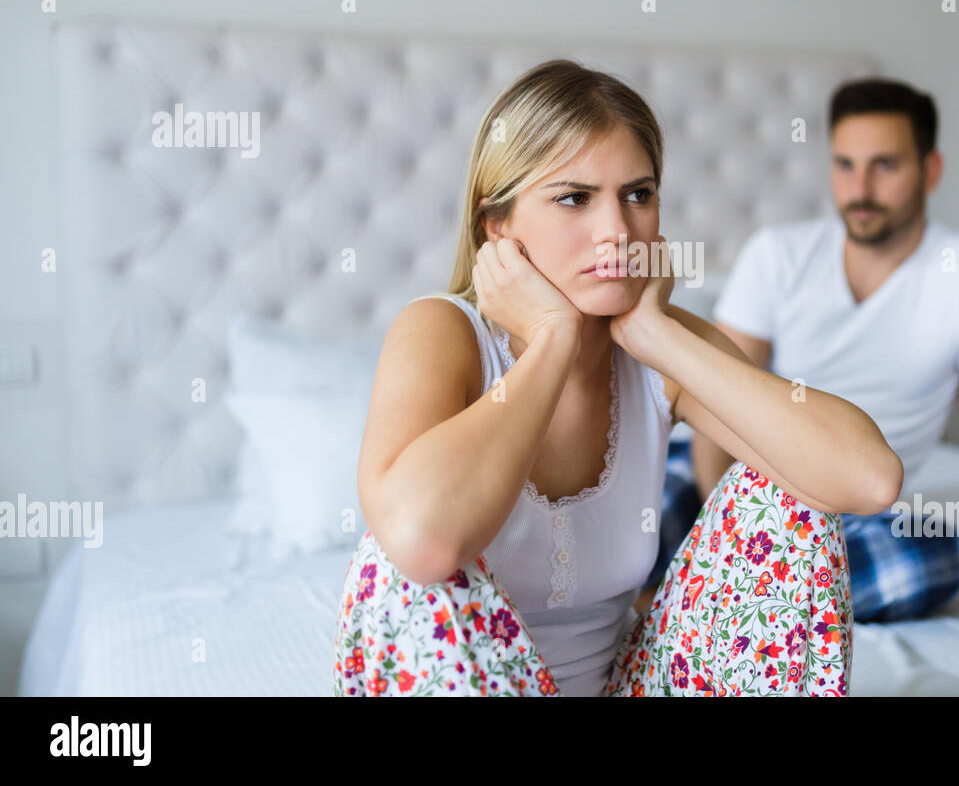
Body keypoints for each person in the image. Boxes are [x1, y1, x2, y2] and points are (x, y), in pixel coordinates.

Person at [332, 59, 904, 696]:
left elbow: (869, 478)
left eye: (639, 194)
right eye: (574, 198)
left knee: (795, 488)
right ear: (498, 225)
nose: (617, 232)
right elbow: (421, 544)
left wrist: (654, 335)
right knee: (397, 542)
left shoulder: (658, 344)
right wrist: (552, 340)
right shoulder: (442, 332)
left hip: (627, 685)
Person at [640, 77, 959, 623]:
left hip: (850, 500)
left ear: (930, 170)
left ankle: (687, 602)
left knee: (923, 561)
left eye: (885, 166)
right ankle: (724, 595)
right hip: (729, 475)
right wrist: (729, 530)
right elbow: (717, 398)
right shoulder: (778, 255)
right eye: (845, 165)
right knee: (633, 511)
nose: (860, 188)